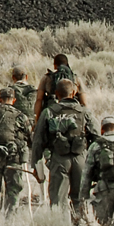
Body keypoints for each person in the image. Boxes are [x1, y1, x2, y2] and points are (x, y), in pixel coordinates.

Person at [28, 78, 96, 216]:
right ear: (74, 93)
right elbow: (97, 137)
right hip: (80, 159)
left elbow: (38, 140)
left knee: (58, 200)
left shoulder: (49, 112)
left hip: (58, 159)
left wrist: (36, 164)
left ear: (56, 93)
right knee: (80, 199)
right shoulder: (84, 112)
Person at [31, 53, 85, 122]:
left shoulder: (46, 78)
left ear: (55, 66)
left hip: (52, 115)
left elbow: (39, 99)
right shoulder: (76, 79)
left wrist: (37, 120)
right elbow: (84, 103)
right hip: (73, 115)